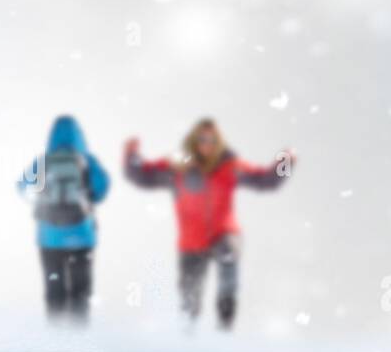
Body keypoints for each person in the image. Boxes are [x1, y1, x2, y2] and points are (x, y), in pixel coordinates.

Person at [124, 119, 294, 330]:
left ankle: (225, 327)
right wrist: (131, 154)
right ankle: (188, 341)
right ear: (194, 141)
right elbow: (142, 176)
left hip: (223, 233)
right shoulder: (178, 166)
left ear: (219, 142)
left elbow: (267, 180)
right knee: (189, 300)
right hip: (191, 242)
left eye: (212, 140)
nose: (207, 145)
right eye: (202, 139)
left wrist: (286, 162)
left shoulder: (230, 167)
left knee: (228, 260)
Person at [17, 116, 110, 322]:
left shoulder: (44, 161)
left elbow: (22, 188)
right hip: (81, 235)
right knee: (80, 292)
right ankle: (80, 342)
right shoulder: (86, 160)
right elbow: (101, 189)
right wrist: (86, 197)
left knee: (54, 292)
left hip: (49, 237)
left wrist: (41, 201)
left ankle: (55, 344)